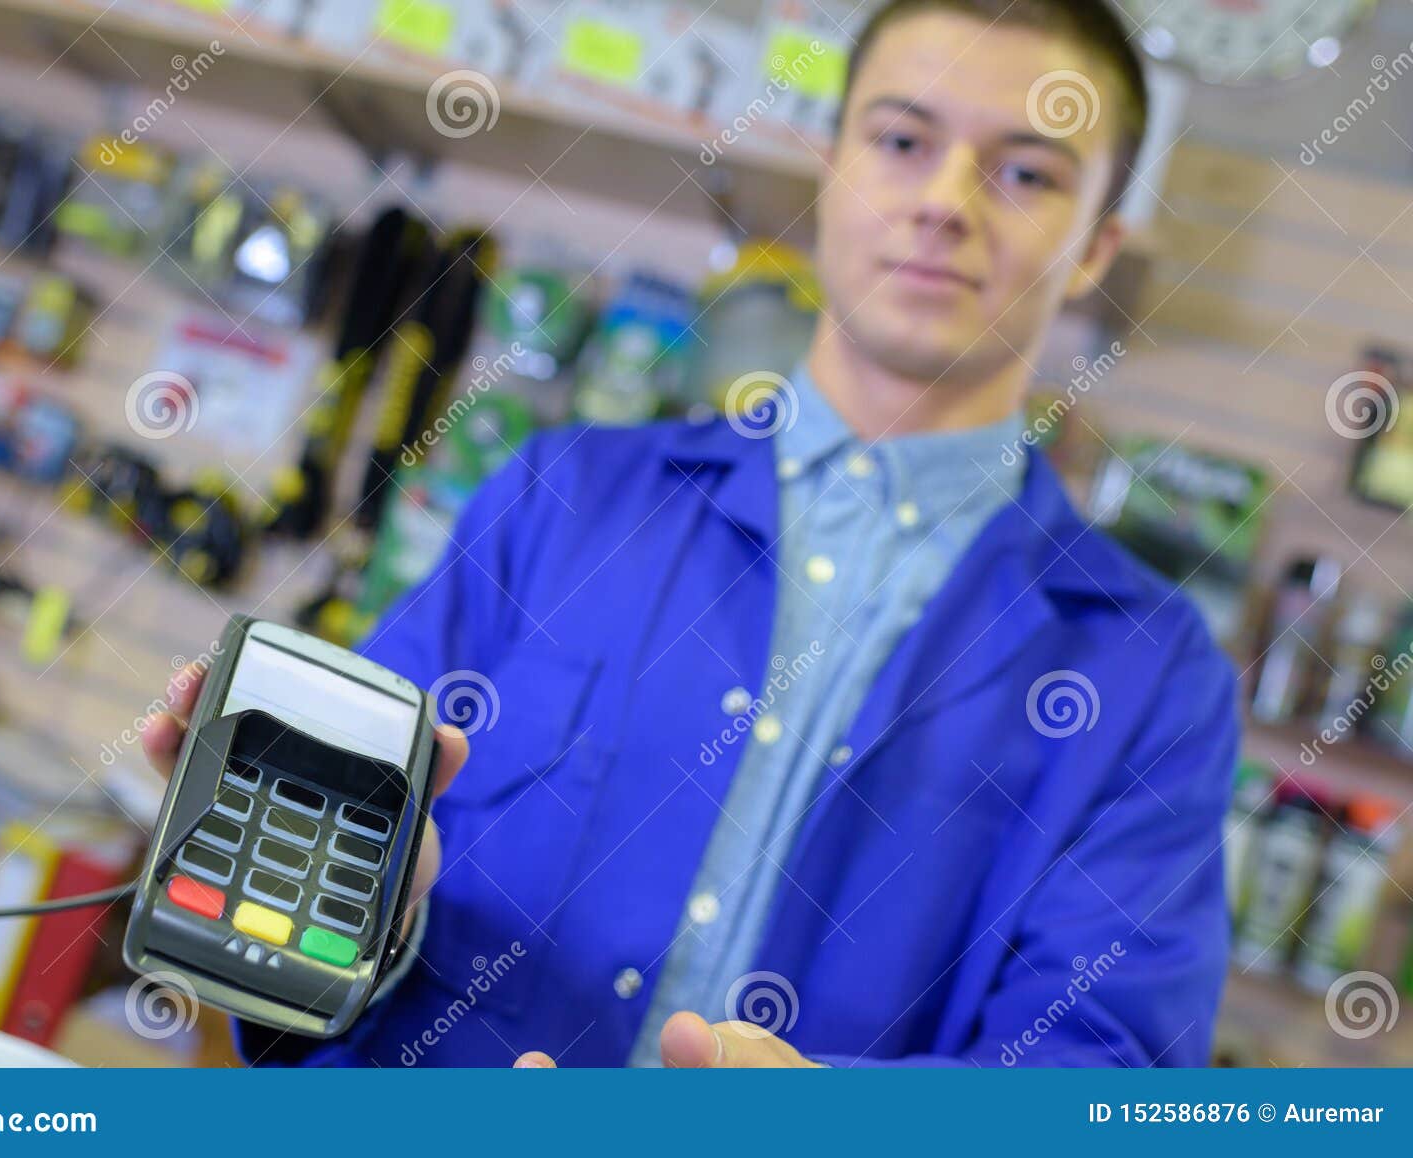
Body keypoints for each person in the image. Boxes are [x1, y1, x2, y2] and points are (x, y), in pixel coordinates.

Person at [144, 0, 1239, 1068]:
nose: (946, 202)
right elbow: (320, 900)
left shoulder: (1153, 674)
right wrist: (372, 910)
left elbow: (1104, 1068)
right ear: (833, 164)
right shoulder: (559, 496)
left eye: (1026, 171)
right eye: (903, 140)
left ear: (1096, 245)